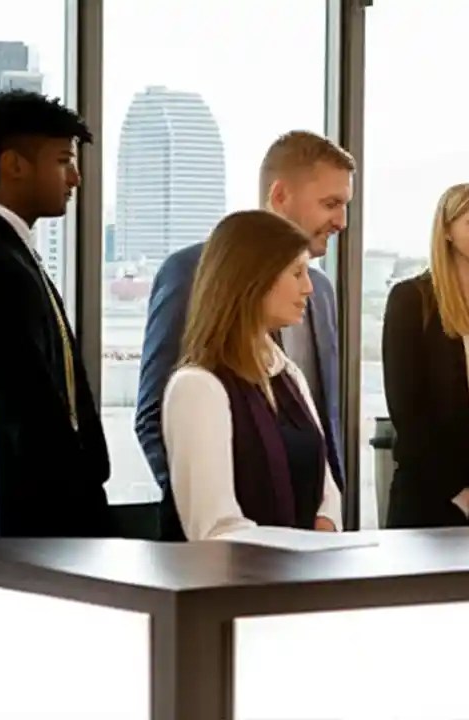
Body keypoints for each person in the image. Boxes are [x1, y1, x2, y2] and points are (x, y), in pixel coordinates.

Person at [137, 131, 354, 532]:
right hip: (220, 553)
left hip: (310, 546)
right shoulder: (191, 273)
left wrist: (327, 521)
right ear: (280, 196)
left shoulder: (320, 293)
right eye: (331, 204)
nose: (341, 221)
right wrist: (201, 497)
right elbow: (154, 414)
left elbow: (322, 421)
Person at [0, 90, 113, 538]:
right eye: (62, 161)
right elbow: (23, 416)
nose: (75, 177)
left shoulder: (7, 253)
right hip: (37, 526)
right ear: (15, 165)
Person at [160, 211, 342, 538]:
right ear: (254, 279)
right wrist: (303, 550)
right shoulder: (198, 387)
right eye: (297, 273)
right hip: (236, 585)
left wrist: (323, 536)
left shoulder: (288, 375)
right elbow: (214, 527)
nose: (309, 288)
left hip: (304, 579)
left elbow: (325, 490)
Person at [382, 183, 469, 527]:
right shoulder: (412, 300)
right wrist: (461, 495)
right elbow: (407, 409)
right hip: (432, 485)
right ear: (447, 231)